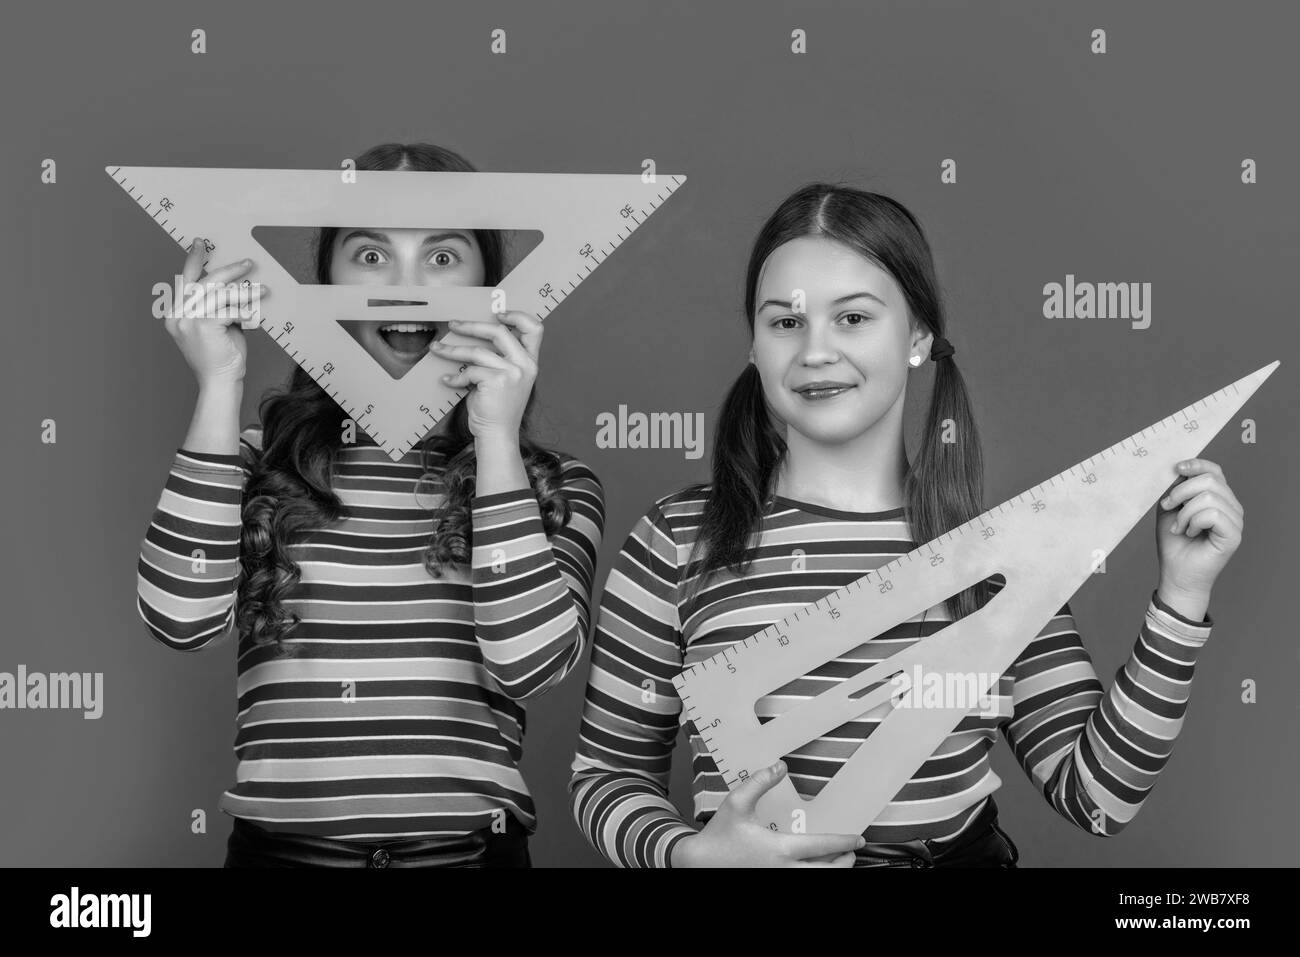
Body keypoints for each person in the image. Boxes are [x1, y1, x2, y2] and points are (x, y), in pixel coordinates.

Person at [569, 183, 1241, 868]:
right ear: (754, 345)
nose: (816, 350)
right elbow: (605, 776)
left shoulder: (993, 557)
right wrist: (688, 855)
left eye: (854, 318)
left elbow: (1098, 796)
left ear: (917, 335)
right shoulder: (676, 538)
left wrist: (1182, 598)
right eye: (785, 322)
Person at [136, 141, 605, 868]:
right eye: (371, 255)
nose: (406, 288)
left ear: (494, 287)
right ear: (324, 284)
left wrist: (497, 439)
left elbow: (532, 663)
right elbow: (178, 618)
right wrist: (219, 384)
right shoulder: (259, 460)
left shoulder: (553, 482)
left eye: (443, 258)